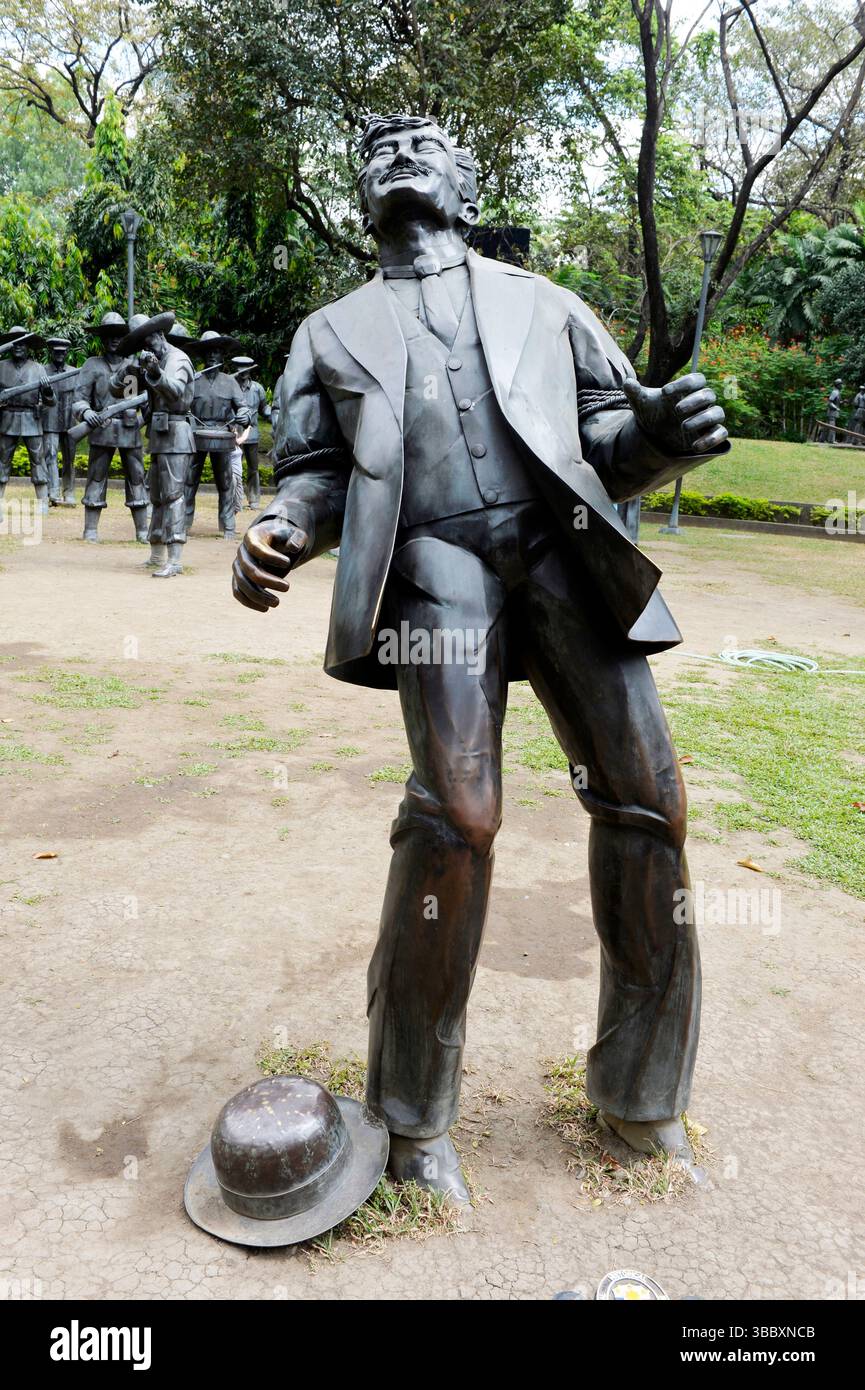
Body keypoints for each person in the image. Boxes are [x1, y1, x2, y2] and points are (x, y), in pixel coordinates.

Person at [232, 114, 728, 1202]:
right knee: (456, 821)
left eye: (427, 144)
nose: (402, 153)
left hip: (565, 560)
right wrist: (278, 526)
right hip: (433, 571)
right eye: (380, 148)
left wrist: (664, 435)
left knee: (649, 803)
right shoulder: (329, 332)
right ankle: (411, 1120)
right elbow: (313, 473)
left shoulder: (543, 305)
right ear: (363, 195)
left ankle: (640, 1096)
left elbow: (611, 441)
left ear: (466, 185)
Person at [110, 311, 196, 577]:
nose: (146, 349)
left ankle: (176, 558)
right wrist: (127, 370)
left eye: (148, 342)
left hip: (177, 433)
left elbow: (175, 392)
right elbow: (115, 391)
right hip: (158, 435)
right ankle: (157, 553)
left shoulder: (177, 359)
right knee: (156, 496)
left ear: (159, 335)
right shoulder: (150, 361)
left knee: (173, 496)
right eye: (142, 346)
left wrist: (155, 371)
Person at [72, 312, 148, 541]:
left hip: (129, 431)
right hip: (101, 429)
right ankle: (91, 530)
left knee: (137, 477)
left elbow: (147, 401)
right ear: (102, 339)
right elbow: (79, 398)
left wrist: (140, 422)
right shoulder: (91, 365)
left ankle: (142, 531)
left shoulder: (134, 366)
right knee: (96, 476)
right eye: (109, 336)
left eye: (119, 336)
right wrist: (87, 413)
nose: (114, 340)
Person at [185, 331, 250, 540]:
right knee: (189, 480)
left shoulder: (230, 382)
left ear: (222, 356)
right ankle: (184, 524)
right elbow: (182, 406)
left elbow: (243, 407)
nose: (212, 355)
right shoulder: (193, 380)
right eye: (208, 352)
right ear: (203, 356)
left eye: (216, 352)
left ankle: (228, 525)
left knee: (225, 482)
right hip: (196, 435)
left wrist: (242, 416)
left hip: (222, 435)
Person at [0, 326, 55, 515]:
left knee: (38, 459)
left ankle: (42, 502)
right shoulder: (1, 367)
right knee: (2, 460)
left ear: (28, 346)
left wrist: (47, 391)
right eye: (15, 342)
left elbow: (51, 401)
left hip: (32, 419)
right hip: (7, 419)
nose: (18, 346)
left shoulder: (38, 368)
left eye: (22, 343)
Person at [230, 357, 271, 509]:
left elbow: (264, 409)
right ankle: (234, 499)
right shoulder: (230, 386)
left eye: (246, 369)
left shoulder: (257, 388)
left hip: (251, 433)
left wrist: (274, 414)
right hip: (233, 434)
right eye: (240, 369)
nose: (243, 372)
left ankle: (253, 499)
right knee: (233, 469)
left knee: (253, 468)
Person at [42, 337, 78, 506]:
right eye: (56, 352)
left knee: (69, 458)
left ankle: (69, 491)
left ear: (66, 353)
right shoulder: (43, 372)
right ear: (51, 352)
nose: (59, 355)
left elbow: (80, 397)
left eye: (62, 352)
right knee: (50, 455)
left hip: (70, 421)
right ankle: (53, 491)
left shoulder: (74, 372)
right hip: (50, 420)